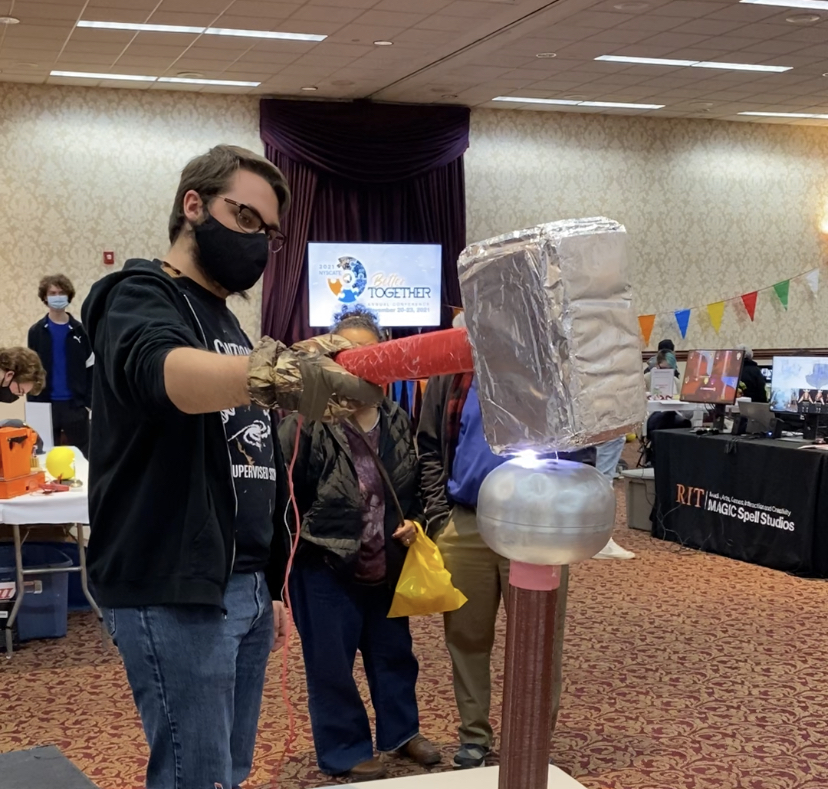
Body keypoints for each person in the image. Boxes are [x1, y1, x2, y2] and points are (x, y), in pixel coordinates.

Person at [80, 144, 381, 789]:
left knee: (228, 772)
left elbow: (252, 457)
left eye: (268, 233)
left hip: (241, 582)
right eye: (246, 218)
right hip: (173, 582)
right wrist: (278, 374)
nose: (257, 242)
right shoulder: (138, 294)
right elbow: (163, 373)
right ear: (194, 205)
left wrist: (266, 585)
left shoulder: (228, 323)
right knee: (195, 775)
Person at [417, 314, 592, 769]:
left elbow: (583, 451)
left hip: (536, 530)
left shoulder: (551, 374)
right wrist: (439, 517)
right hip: (465, 524)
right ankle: (474, 735)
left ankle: (530, 737)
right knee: (466, 637)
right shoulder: (454, 373)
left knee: (539, 640)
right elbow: (429, 446)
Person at [279, 306, 440, 782]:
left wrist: (414, 521)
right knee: (331, 665)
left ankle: (402, 732)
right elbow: (286, 498)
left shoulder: (396, 417)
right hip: (324, 565)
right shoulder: (306, 420)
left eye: (368, 353)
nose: (358, 363)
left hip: (387, 563)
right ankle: (344, 749)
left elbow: (412, 487)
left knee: (395, 654)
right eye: (346, 353)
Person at [27, 274, 94, 457]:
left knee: (84, 456)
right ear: (45, 297)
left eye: (61, 293)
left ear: (68, 296)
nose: (57, 297)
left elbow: (91, 369)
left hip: (75, 406)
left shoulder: (81, 331)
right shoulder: (36, 332)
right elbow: (30, 370)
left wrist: (88, 404)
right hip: (44, 405)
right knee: (43, 455)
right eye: (53, 293)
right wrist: (33, 402)